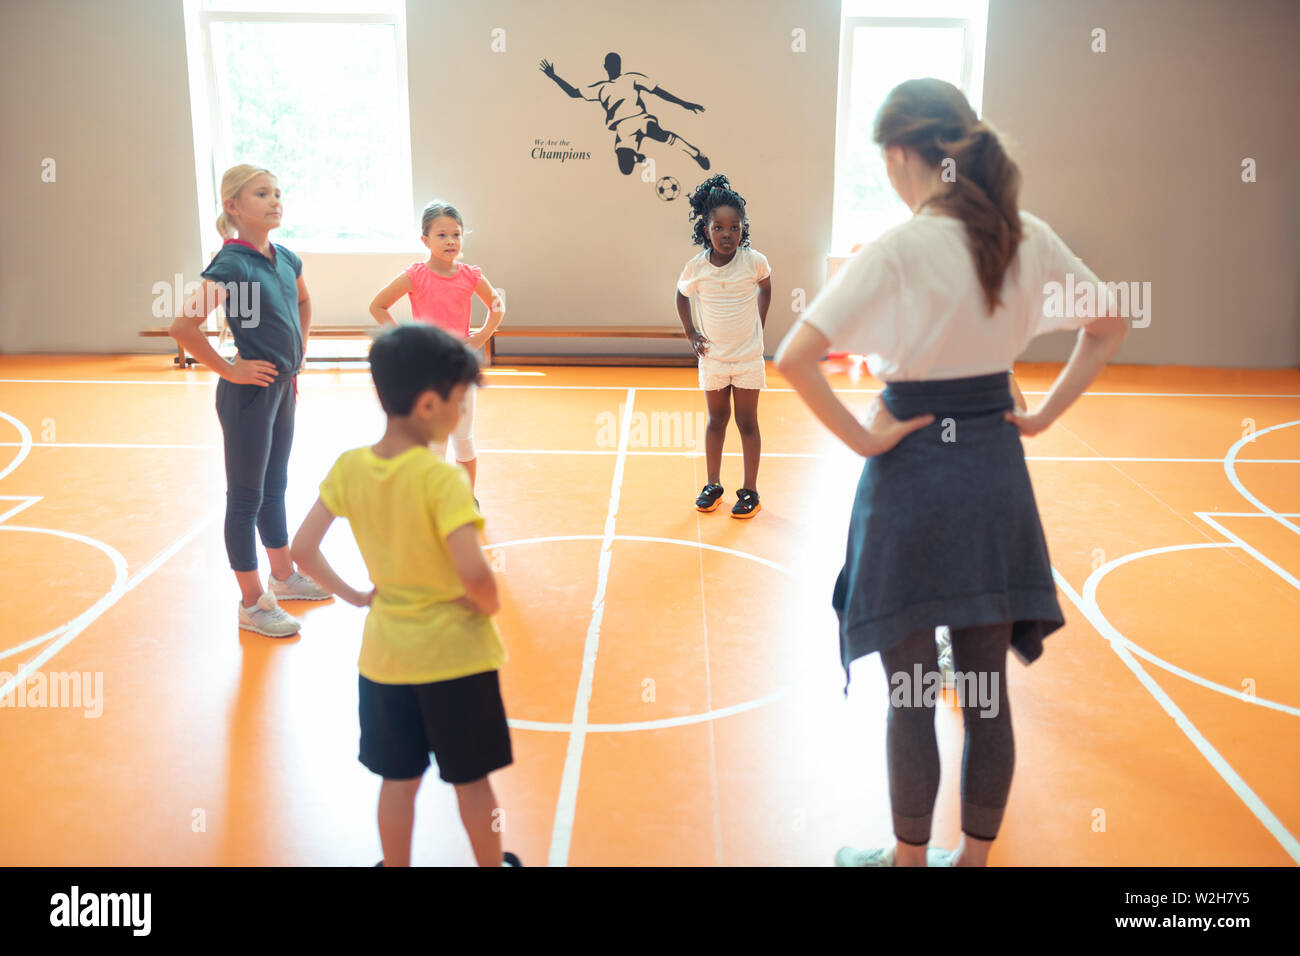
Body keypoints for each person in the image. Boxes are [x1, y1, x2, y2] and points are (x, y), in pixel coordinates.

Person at [774, 78, 1127, 867]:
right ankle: (973, 861)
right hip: (995, 480)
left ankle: (906, 862)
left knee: (908, 701)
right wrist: (1042, 416)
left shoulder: (901, 248)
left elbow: (794, 357)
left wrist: (865, 443)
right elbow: (1110, 323)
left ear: (903, 154)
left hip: (911, 484)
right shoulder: (1025, 234)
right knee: (987, 695)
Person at [290, 323, 521, 867]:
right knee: (472, 783)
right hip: (455, 661)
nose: (461, 414)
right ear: (427, 403)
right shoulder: (441, 480)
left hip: (386, 660)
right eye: (459, 403)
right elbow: (479, 576)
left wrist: (355, 595)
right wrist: (485, 605)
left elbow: (302, 549)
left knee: (397, 781)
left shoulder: (351, 467)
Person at [169, 164, 327, 639]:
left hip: (284, 387)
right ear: (234, 206)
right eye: (262, 194)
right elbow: (182, 327)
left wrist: (299, 347)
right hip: (248, 395)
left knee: (274, 486)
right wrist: (230, 368)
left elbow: (302, 302)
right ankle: (252, 602)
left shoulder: (285, 258)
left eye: (278, 192)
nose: (275, 200)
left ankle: (283, 576)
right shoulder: (232, 263)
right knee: (245, 498)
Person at [369, 201, 505, 499]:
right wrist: (403, 340)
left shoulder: (470, 275)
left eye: (456, 235)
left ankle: (466, 499)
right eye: (442, 235)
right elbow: (377, 305)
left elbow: (497, 306)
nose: (450, 241)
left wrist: (481, 336)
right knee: (435, 442)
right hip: (427, 371)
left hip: (459, 370)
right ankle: (435, 500)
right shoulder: (416, 275)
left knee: (463, 438)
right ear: (425, 240)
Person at [675, 175, 772, 518]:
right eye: (719, 227)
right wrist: (691, 334)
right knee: (717, 420)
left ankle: (751, 491)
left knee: (748, 422)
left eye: (734, 227)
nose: (727, 234)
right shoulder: (696, 268)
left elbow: (766, 286)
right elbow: (681, 296)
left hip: (747, 359)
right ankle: (712, 484)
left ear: (743, 229)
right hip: (714, 358)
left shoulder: (754, 261)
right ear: (706, 230)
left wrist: (758, 323)